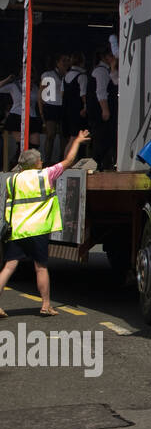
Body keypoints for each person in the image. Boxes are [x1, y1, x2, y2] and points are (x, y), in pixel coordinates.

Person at [0, 130, 90, 317]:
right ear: (35, 163)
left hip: (17, 229)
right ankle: (46, 305)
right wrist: (78, 141)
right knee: (40, 266)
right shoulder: (45, 175)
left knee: (9, 266)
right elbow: (69, 161)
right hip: (38, 228)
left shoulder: (13, 180)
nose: (42, 161)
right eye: (40, 159)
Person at [89, 48, 117, 170]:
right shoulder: (101, 71)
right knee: (102, 139)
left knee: (107, 139)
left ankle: (104, 165)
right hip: (100, 112)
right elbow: (101, 91)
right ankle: (95, 165)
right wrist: (105, 109)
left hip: (104, 111)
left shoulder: (107, 71)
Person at [38, 54, 68, 164]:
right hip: (50, 107)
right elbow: (40, 93)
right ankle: (47, 160)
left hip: (63, 107)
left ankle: (62, 160)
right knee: (51, 134)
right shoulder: (48, 75)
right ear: (57, 62)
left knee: (63, 135)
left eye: (67, 61)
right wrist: (41, 111)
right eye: (63, 60)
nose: (65, 63)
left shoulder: (68, 75)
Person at [61, 53, 90, 164]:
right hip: (78, 111)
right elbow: (83, 94)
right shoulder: (81, 76)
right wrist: (85, 107)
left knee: (71, 138)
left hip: (67, 110)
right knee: (75, 138)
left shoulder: (65, 76)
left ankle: (70, 161)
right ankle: (67, 163)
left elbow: (62, 94)